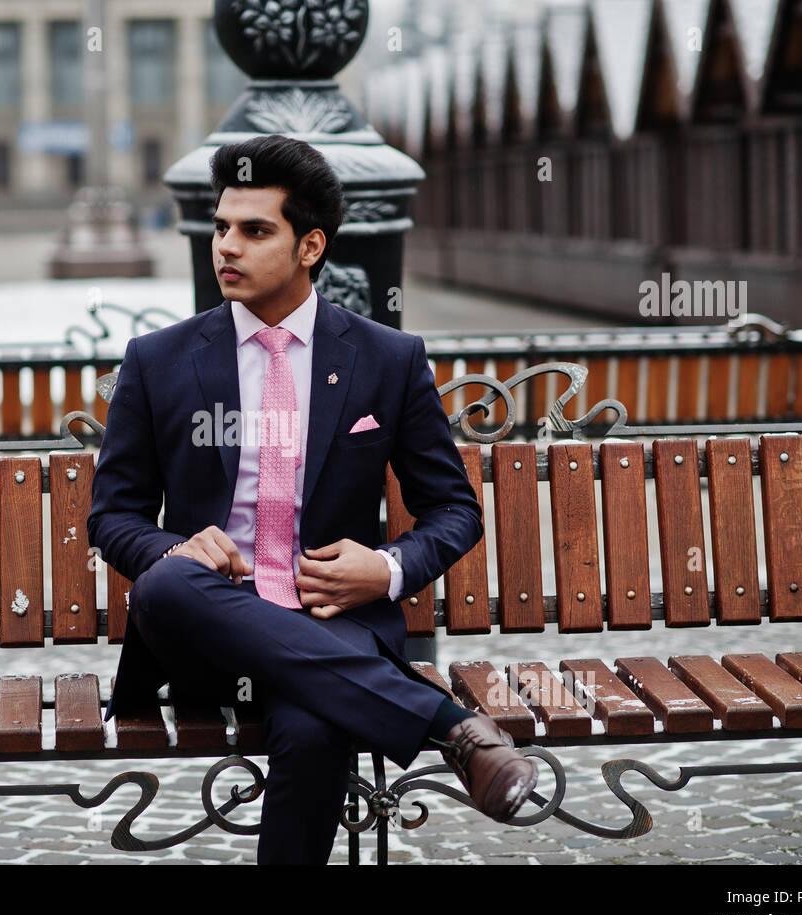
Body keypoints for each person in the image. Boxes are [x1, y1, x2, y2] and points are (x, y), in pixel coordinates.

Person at [87, 134, 538, 865]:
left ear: (310, 245)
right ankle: (454, 727)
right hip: (204, 633)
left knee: (317, 726)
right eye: (221, 228)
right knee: (167, 581)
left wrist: (385, 570)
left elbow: (455, 510)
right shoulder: (158, 360)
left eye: (255, 230)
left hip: (333, 627)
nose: (226, 247)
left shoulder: (388, 359)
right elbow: (113, 517)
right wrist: (175, 547)